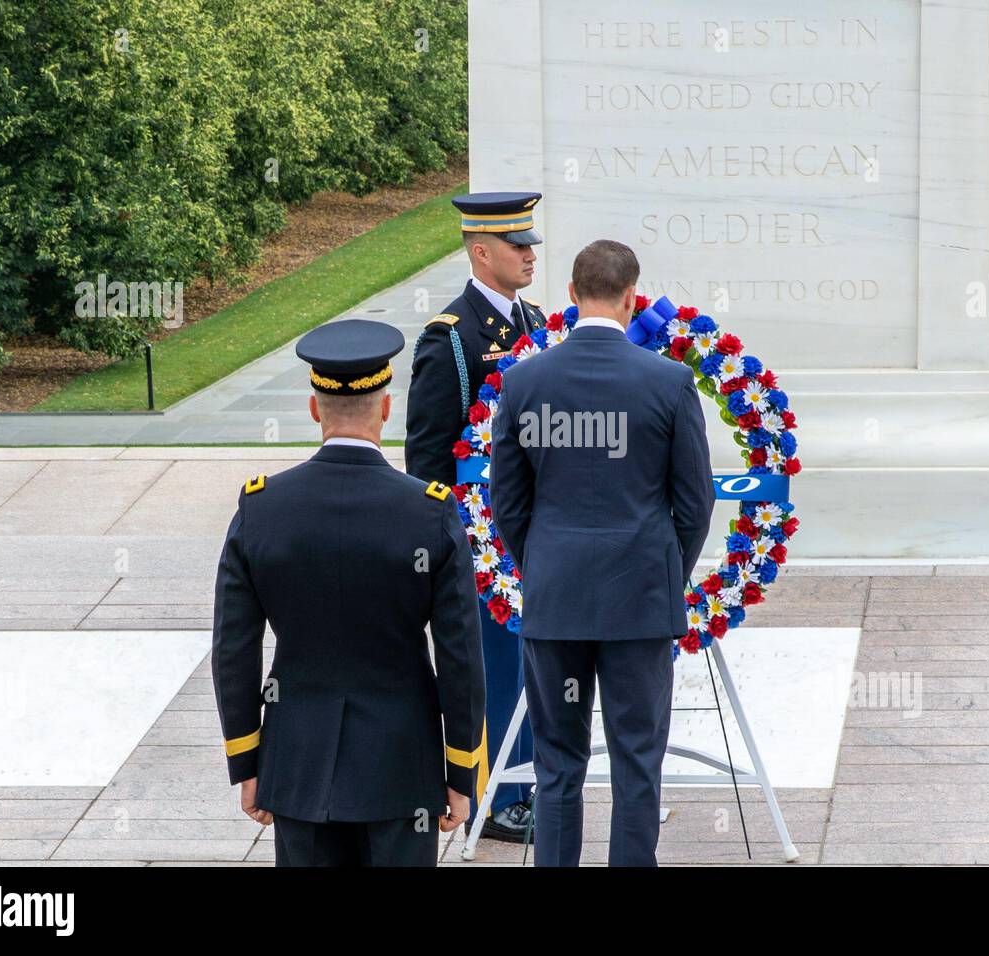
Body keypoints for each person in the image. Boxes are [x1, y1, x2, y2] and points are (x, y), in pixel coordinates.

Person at [211, 318, 486, 867]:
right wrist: (460, 771)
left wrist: (248, 761)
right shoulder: (429, 512)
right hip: (402, 768)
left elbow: (233, 650)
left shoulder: (262, 509)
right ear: (386, 408)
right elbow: (459, 655)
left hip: (298, 767)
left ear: (314, 409)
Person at [489, 239, 716, 866]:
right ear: (631, 299)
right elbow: (694, 505)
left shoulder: (524, 381)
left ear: (570, 295)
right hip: (639, 601)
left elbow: (508, 502)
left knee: (556, 764)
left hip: (557, 598)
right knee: (637, 761)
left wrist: (538, 563)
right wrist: (664, 570)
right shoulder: (669, 382)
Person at [404, 191, 546, 842]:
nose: (529, 254)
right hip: (481, 539)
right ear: (481, 251)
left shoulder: (537, 322)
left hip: (537, 529)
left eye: (531, 243)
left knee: (537, 658)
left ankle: (530, 778)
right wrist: (448, 544)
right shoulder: (452, 338)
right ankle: (497, 793)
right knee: (497, 662)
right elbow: (428, 458)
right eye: (518, 246)